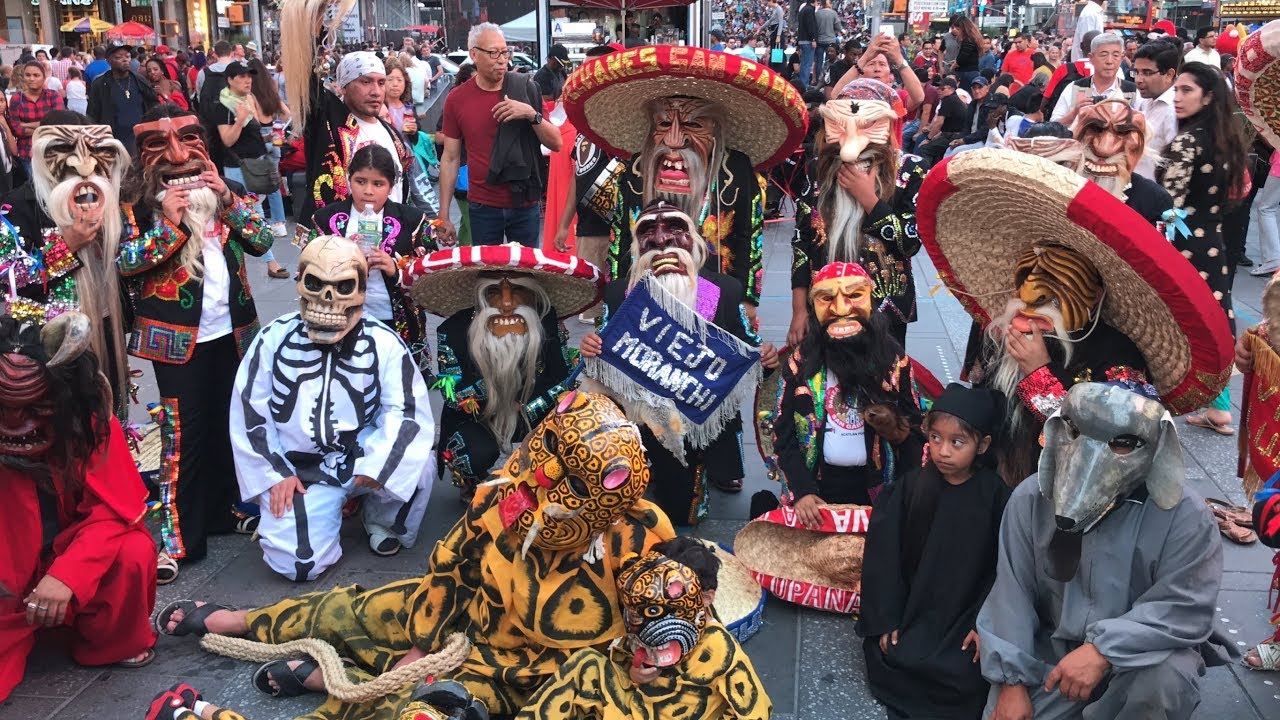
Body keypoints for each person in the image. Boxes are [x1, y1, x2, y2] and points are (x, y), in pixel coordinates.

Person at [154, 390, 675, 717]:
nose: (543, 478)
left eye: (571, 481)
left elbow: (669, 613)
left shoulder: (640, 534)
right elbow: (453, 565)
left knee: (424, 708)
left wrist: (645, 659)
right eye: (550, 453)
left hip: (521, 668)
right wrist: (422, 644)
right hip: (462, 612)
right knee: (353, 609)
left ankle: (321, 689)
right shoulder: (505, 493)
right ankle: (244, 620)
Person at [921, 147, 1234, 486]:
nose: (1029, 297)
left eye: (1052, 287)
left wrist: (1039, 373)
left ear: (1095, 295)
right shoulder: (1001, 335)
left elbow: (1112, 444)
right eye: (1026, 278)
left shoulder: (1116, 354)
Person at [977, 382, 1228, 720]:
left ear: (1158, 447)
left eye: (1122, 443)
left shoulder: (1186, 516)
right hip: (1053, 652)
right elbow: (1013, 593)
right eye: (1077, 432)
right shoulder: (1030, 499)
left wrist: (1103, 650)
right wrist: (1012, 680)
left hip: (1141, 653)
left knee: (1165, 680)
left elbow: (1183, 606)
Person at [117, 106, 274, 578]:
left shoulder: (224, 193)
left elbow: (263, 240)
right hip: (175, 340)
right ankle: (178, 538)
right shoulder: (135, 206)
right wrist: (171, 223)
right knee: (182, 436)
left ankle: (228, 510)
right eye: (160, 147)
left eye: (189, 141)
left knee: (230, 425)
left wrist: (226, 196)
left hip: (233, 332)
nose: (179, 157)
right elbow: (126, 263)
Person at [230, 235, 435, 577]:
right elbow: (249, 413)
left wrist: (380, 464)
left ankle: (380, 519)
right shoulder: (272, 339)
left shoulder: (384, 343)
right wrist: (274, 474)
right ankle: (319, 514)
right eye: (315, 284)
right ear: (300, 283)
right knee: (298, 564)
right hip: (301, 470)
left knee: (418, 464)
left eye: (343, 287)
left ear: (362, 291)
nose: (328, 298)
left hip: (361, 457)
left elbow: (407, 411)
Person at [564, 45, 807, 328]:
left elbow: (749, 239)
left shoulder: (736, 169)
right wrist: (617, 302)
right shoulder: (637, 169)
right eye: (664, 123)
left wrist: (748, 299)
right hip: (646, 301)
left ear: (715, 129)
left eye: (693, 124)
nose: (675, 140)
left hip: (718, 301)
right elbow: (620, 240)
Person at [580, 201, 777, 524]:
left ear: (695, 239)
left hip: (699, 421)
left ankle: (709, 469)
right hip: (641, 418)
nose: (661, 240)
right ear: (636, 247)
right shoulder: (618, 294)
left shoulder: (725, 291)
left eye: (674, 228)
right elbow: (601, 364)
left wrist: (765, 358)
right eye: (648, 231)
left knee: (681, 515)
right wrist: (591, 349)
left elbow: (750, 354)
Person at [0, 313, 158, 703]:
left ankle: (110, 640)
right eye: (5, 408)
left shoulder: (88, 423)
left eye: (33, 407)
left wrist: (67, 575)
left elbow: (115, 510)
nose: (16, 423)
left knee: (133, 550)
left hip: (65, 558)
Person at [859, 383, 1010, 720]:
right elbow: (884, 557)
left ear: (983, 445)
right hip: (912, 611)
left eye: (957, 442)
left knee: (965, 673)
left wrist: (984, 623)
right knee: (895, 654)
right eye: (936, 438)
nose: (943, 451)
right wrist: (886, 618)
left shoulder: (995, 496)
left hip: (963, 616)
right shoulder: (912, 486)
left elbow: (1003, 567)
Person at [401, 245, 600, 497]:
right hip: (480, 416)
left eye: (517, 291)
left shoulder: (547, 321)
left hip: (532, 408)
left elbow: (562, 381)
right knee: (471, 452)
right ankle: (470, 483)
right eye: (494, 292)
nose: (506, 304)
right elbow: (453, 396)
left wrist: (525, 405)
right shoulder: (452, 331)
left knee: (571, 429)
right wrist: (495, 388)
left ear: (532, 295)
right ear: (481, 296)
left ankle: (552, 480)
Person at [514, 541, 772, 719]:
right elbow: (622, 660)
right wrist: (634, 673)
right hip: (633, 708)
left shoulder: (719, 646)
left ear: (705, 598)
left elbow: (756, 709)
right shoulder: (644, 623)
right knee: (586, 663)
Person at [0, 116, 132, 416]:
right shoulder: (16, 206)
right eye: (66, 151)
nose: (84, 165)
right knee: (64, 418)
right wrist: (67, 244)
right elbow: (10, 278)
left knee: (110, 409)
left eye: (94, 152)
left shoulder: (111, 199)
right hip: (50, 338)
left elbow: (133, 256)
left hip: (106, 322)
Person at [771, 261, 924, 520]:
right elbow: (782, 434)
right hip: (817, 491)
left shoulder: (894, 362)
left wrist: (903, 496)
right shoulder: (800, 363)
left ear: (871, 300)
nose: (841, 308)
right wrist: (802, 491)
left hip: (879, 491)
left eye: (854, 295)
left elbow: (916, 434)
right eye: (826, 298)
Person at [791, 79, 928, 346]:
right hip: (825, 302)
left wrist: (869, 200)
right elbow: (802, 241)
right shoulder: (818, 168)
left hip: (884, 308)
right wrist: (798, 309)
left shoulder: (911, 169)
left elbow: (910, 244)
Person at [1160, 61, 1249, 435]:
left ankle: (1158, 401)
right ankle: (1219, 407)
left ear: (1208, 97)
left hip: (1180, 242)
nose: (1177, 97)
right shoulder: (1226, 140)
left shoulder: (1187, 142)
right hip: (1212, 241)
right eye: (1177, 90)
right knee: (1215, 316)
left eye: (1187, 90)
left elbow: (1169, 202)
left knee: (1168, 319)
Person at [433, 24, 562, 246]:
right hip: (482, 204)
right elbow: (450, 158)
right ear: (474, 54)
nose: (502, 60)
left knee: (525, 268)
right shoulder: (457, 99)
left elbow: (556, 143)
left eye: (505, 52)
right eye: (493, 53)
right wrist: (443, 214)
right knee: (486, 268)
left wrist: (531, 114)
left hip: (524, 201)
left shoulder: (526, 88)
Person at [308, 144, 437, 364]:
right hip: (337, 315)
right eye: (360, 181)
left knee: (396, 376)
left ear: (391, 186)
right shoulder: (325, 219)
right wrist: (340, 262)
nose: (368, 191)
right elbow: (306, 269)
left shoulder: (412, 219)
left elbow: (432, 268)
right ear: (349, 179)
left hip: (394, 317)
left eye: (378, 184)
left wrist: (395, 268)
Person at [204, 60, 288, 277]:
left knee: (247, 213)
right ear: (230, 80)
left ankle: (235, 257)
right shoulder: (224, 106)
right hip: (239, 166)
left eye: (249, 76)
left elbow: (253, 133)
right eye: (241, 76)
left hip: (255, 162)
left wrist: (271, 137)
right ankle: (271, 262)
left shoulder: (248, 99)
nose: (247, 80)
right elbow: (228, 140)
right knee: (253, 212)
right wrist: (240, 120)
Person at [247, 56, 291, 269]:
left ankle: (261, 223)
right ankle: (280, 223)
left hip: (260, 140)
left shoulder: (250, 96)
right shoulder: (271, 93)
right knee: (274, 183)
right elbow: (287, 112)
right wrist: (279, 126)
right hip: (275, 138)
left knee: (256, 184)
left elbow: (254, 121)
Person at [1050, 33, 1137, 127]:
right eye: (1103, 55)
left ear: (1122, 58)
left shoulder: (1132, 91)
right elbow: (1053, 126)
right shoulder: (1074, 88)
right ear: (1091, 58)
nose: (1109, 61)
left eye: (1115, 55)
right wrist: (1074, 114)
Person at [86, 42, 158, 155]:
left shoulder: (139, 80)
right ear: (109, 60)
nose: (125, 60)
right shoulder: (100, 84)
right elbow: (92, 114)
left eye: (127, 56)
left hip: (141, 141)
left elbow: (153, 105)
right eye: (119, 57)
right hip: (114, 143)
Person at [1132, 39, 1180, 179]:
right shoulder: (1145, 102)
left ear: (1169, 74)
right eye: (1136, 72)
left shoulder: (1174, 110)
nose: (1138, 79)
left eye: (1147, 73)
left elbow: (1175, 164)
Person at [7, 62, 61, 178]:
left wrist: (25, 124)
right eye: (28, 75)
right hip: (27, 153)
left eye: (36, 75)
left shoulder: (53, 96)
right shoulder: (17, 99)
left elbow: (57, 124)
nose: (31, 79)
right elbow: (16, 130)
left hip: (52, 151)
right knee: (33, 187)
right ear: (23, 77)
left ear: (44, 78)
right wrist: (44, 127)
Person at [796, 0, 817, 89]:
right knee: (807, 64)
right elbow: (810, 26)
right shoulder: (809, 10)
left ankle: (802, 84)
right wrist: (813, 39)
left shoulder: (803, 9)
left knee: (804, 64)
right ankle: (804, 85)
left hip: (802, 39)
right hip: (808, 40)